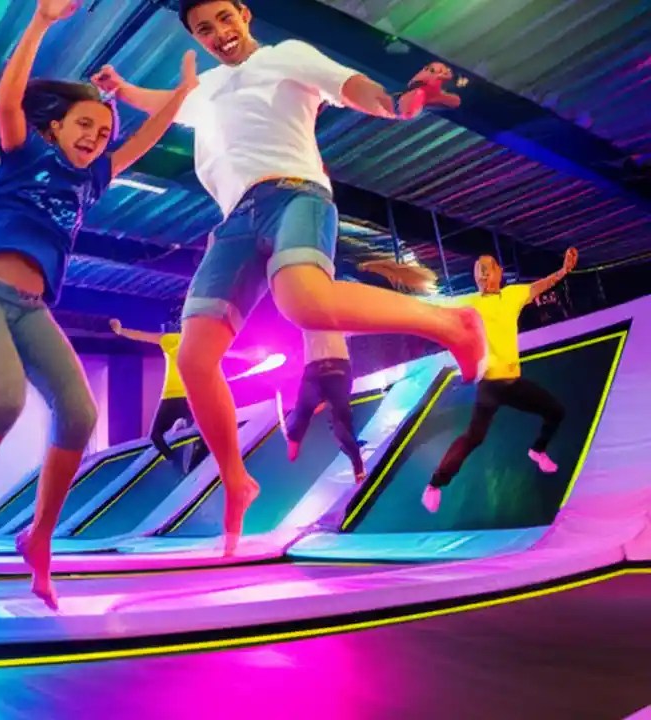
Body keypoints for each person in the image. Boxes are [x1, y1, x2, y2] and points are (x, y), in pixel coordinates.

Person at [91, 0, 486, 554]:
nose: (218, 34)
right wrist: (123, 88)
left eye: (224, 19)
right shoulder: (206, 89)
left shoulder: (286, 55)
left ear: (244, 14)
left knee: (302, 301)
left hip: (295, 194)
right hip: (233, 221)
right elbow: (167, 103)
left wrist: (397, 104)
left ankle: (451, 323)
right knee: (194, 358)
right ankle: (235, 479)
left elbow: (350, 86)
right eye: (204, 29)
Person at [0, 0, 198, 609]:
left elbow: (147, 137)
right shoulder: (27, 152)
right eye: (85, 125)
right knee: (5, 397)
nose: (95, 139)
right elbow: (9, 101)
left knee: (79, 414)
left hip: (32, 307)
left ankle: (40, 537)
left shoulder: (94, 179)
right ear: (54, 127)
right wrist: (41, 22)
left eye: (103, 134)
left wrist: (182, 94)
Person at [422, 250, 577, 513]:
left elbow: (540, 285)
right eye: (478, 270)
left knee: (556, 411)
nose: (482, 274)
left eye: (487, 268)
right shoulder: (469, 302)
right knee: (473, 438)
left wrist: (563, 271)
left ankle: (538, 450)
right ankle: (434, 485)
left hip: (513, 384)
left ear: (498, 272)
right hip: (490, 387)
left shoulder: (513, 295)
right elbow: (433, 304)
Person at [108, 319, 209, 472]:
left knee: (156, 436)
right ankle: (195, 461)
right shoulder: (196, 341)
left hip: (170, 397)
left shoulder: (168, 339)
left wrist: (121, 331)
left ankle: (176, 462)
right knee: (205, 433)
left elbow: (142, 335)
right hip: (190, 396)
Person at [283, 330, 366, 484]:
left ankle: (357, 461)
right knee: (309, 407)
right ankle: (294, 436)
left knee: (338, 421)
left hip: (333, 366)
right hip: (320, 367)